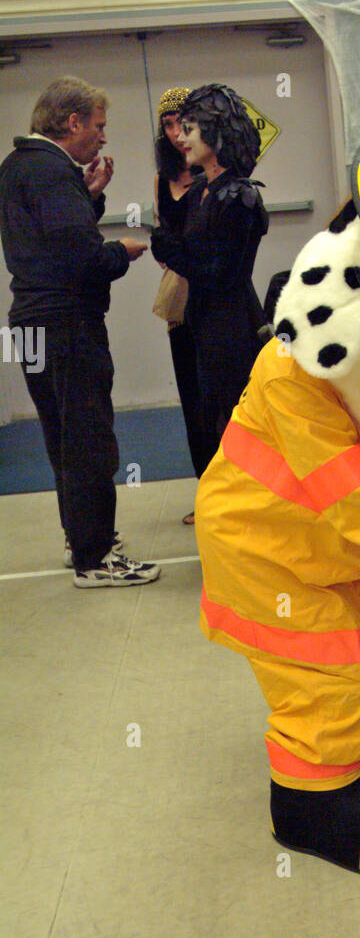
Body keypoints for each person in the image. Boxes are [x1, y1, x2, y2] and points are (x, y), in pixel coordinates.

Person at [0, 76, 161, 587]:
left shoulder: (18, 167)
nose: (103, 136)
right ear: (72, 123)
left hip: (30, 319)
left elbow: (47, 238)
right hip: (66, 322)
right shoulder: (50, 171)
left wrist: (87, 198)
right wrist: (124, 251)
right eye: (98, 125)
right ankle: (96, 559)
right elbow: (83, 258)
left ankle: (81, 538)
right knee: (89, 438)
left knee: (62, 437)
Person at [150, 83, 269, 466]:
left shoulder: (237, 195)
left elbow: (221, 275)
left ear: (216, 130)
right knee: (210, 412)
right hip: (202, 319)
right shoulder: (204, 188)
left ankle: (256, 504)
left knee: (237, 413)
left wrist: (174, 254)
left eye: (190, 128)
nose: (180, 138)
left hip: (231, 322)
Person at [151, 87, 210, 523]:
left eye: (182, 124)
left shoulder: (215, 172)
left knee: (221, 397)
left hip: (215, 296)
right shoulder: (161, 178)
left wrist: (177, 249)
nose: (176, 134)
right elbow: (162, 242)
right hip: (178, 300)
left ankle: (236, 492)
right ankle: (206, 492)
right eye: (168, 126)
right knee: (191, 399)